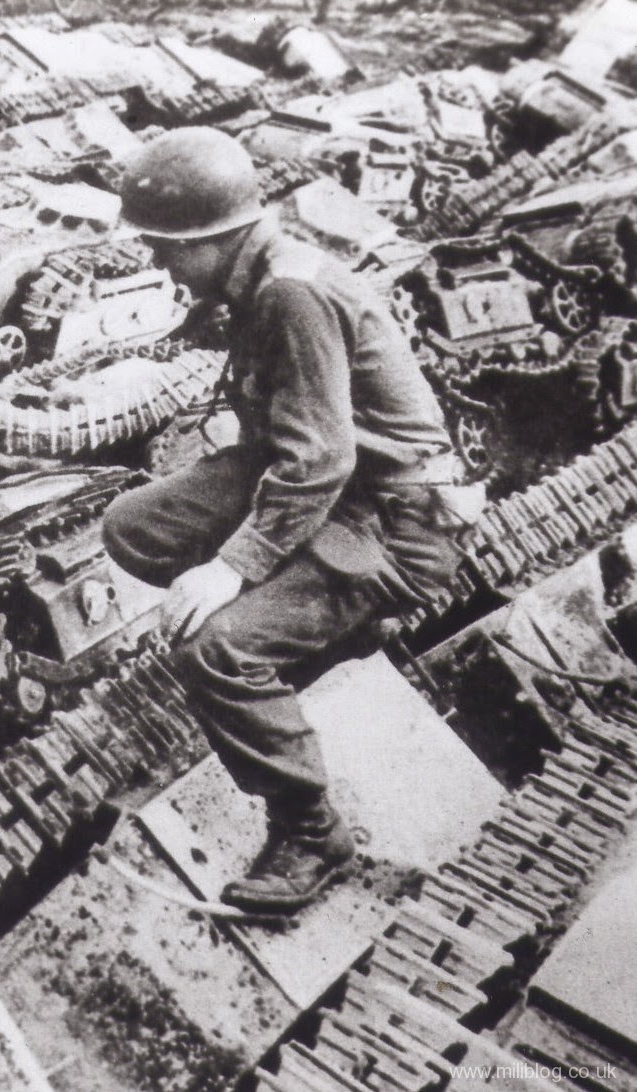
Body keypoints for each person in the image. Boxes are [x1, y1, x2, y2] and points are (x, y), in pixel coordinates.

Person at [102, 127, 482, 914]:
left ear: (214, 237)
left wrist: (232, 569)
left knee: (215, 650)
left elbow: (320, 462)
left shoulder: (288, 292)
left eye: (164, 246)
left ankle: (311, 831)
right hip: (333, 482)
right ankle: (308, 631)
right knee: (136, 527)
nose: (156, 263)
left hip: (392, 519)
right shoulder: (260, 274)